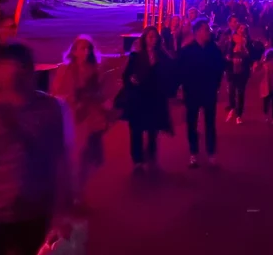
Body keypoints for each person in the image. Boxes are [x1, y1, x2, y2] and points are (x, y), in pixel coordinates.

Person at [0, 42, 74, 255]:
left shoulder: (49, 108)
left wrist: (62, 210)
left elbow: (59, 158)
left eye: (16, 68)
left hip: (32, 208)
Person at [51, 35, 110, 198]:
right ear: (74, 51)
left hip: (90, 116)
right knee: (72, 154)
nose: (85, 51)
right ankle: (71, 191)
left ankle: (78, 190)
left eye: (88, 48)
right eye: (81, 48)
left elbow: (102, 93)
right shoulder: (65, 69)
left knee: (88, 155)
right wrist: (69, 98)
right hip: (71, 115)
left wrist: (97, 98)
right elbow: (56, 91)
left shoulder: (96, 70)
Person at [120, 27, 173, 171]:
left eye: (154, 37)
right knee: (136, 130)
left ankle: (151, 155)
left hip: (154, 97)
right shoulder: (136, 55)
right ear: (144, 38)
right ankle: (137, 159)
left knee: (152, 130)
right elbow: (126, 75)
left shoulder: (162, 55)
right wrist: (131, 80)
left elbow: (170, 72)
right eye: (149, 37)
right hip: (138, 97)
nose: (152, 40)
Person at [177, 20, 225, 167]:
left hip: (209, 90)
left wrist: (216, 84)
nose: (208, 32)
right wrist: (180, 88)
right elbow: (181, 71)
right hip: (192, 91)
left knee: (210, 123)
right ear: (197, 31)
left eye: (208, 29)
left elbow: (220, 67)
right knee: (192, 123)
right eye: (205, 29)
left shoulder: (214, 49)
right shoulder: (187, 51)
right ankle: (193, 153)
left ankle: (211, 153)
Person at [225, 24, 253, 124]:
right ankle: (232, 107)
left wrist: (245, 51)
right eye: (240, 28)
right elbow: (228, 52)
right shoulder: (232, 40)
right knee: (231, 89)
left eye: (244, 29)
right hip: (233, 68)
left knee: (241, 92)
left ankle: (239, 114)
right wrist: (229, 57)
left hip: (243, 68)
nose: (242, 30)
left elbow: (251, 55)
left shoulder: (248, 41)